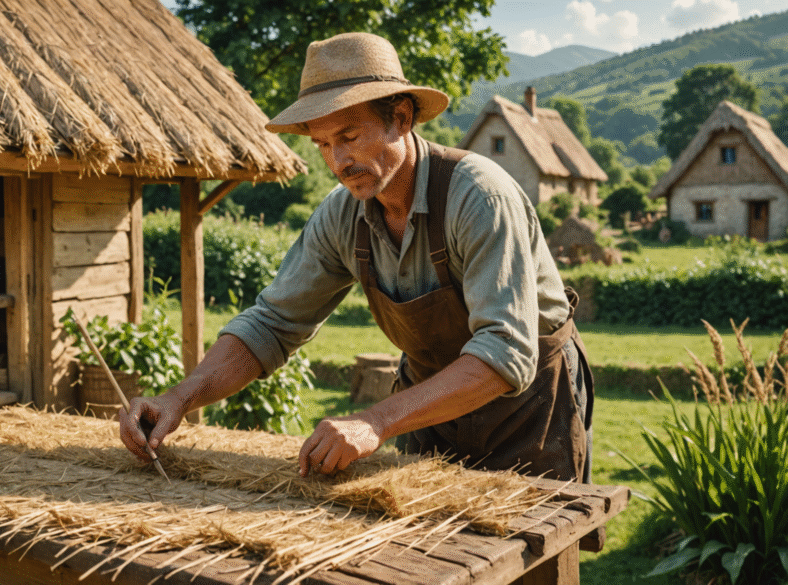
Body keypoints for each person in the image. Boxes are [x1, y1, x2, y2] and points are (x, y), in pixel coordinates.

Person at [120, 32, 594, 483]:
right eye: (323, 144)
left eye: (349, 136)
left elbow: (506, 352)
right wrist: (180, 397)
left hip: (530, 412)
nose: (338, 161)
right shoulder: (342, 216)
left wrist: (374, 421)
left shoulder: (479, 197)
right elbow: (272, 324)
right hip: (428, 410)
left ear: (402, 118)